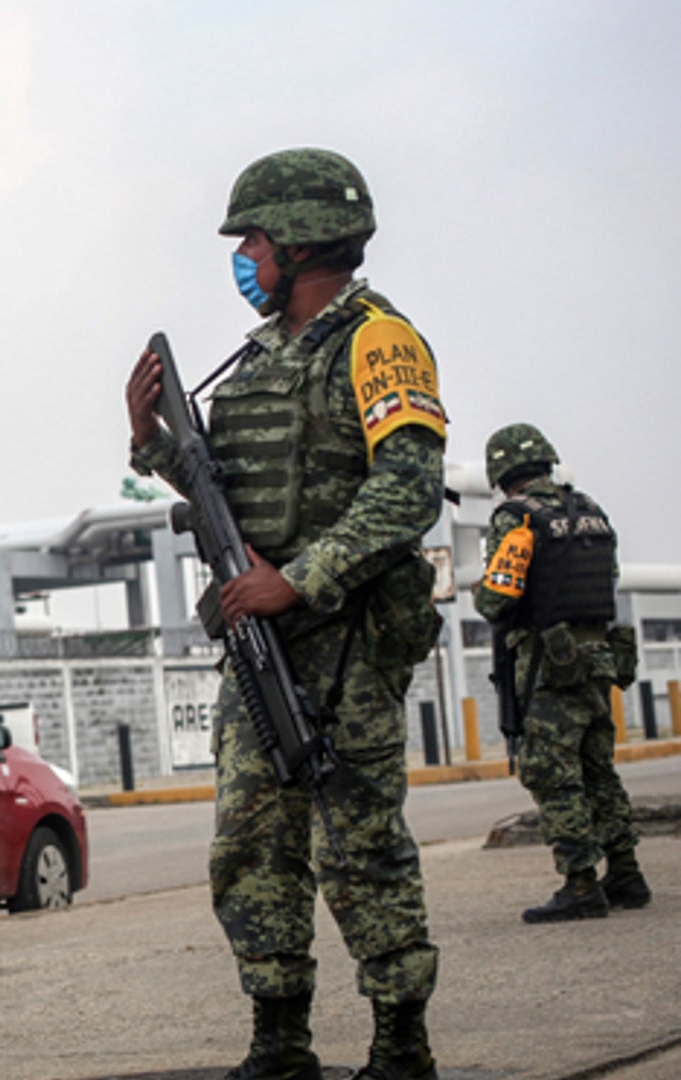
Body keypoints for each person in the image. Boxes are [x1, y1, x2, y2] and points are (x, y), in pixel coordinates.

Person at [125, 149, 444, 1080]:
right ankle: (279, 1039)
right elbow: (223, 495)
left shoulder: (377, 342)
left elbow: (408, 492)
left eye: (254, 240)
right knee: (251, 853)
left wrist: (298, 580)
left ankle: (402, 1042)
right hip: (258, 644)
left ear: (301, 242)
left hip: (341, 646)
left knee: (362, 851)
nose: (244, 257)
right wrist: (152, 443)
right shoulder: (258, 359)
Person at [474, 423, 649, 923]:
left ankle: (579, 884)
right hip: (598, 659)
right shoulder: (590, 512)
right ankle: (626, 873)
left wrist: (483, 596)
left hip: (551, 665)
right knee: (598, 768)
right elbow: (607, 582)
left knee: (553, 772)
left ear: (502, 471)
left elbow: (497, 597)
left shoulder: (518, 519)